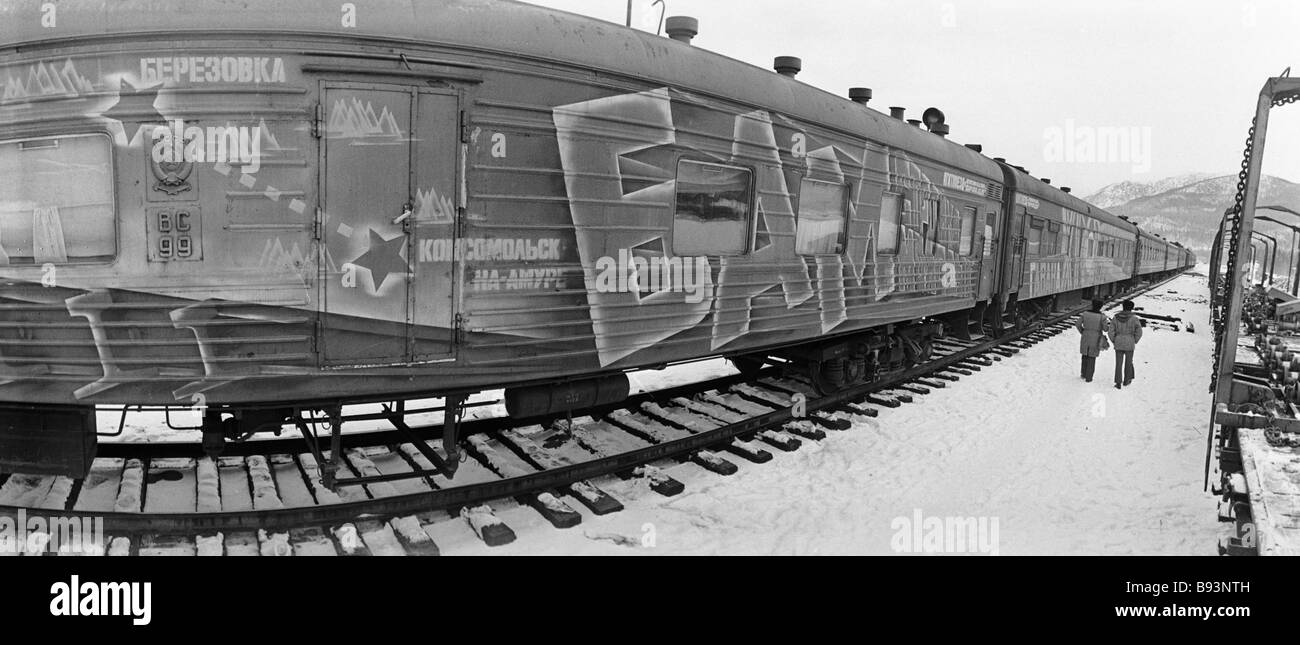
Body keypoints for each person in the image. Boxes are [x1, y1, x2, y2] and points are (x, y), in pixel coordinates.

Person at [1108, 300, 1144, 389]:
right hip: (1129, 342)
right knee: (1128, 362)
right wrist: (1134, 340)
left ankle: (1118, 382)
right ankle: (1127, 380)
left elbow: (1110, 331)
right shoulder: (1134, 318)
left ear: (1123, 307)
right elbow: (1139, 331)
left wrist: (1115, 340)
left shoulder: (1116, 317)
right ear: (1131, 308)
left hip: (1119, 341)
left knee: (1118, 363)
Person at [1075, 299, 1110, 382]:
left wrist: (1082, 331)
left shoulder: (1085, 314)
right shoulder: (1102, 317)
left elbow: (1077, 324)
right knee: (1092, 356)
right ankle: (1089, 377)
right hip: (1096, 337)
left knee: (1085, 354)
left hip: (1085, 335)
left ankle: (1083, 373)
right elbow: (1105, 329)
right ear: (1100, 307)